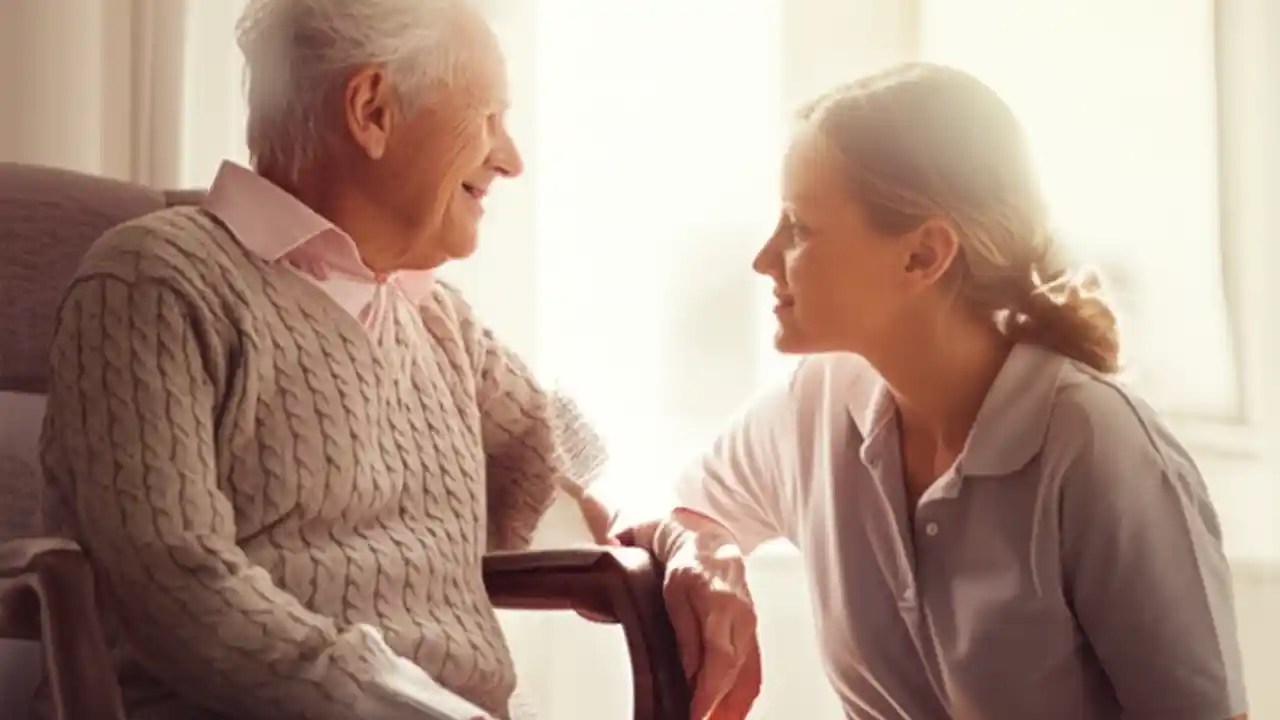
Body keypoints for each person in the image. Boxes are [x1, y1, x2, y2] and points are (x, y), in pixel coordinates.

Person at [34, 1, 640, 718]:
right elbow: (171, 584)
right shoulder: (155, 280)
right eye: (488, 118)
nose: (510, 157)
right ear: (373, 110)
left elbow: (555, 456)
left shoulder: (435, 317)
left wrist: (683, 541)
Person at [631, 62, 1250, 719]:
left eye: (798, 228)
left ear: (922, 256)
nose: (764, 258)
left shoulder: (1098, 448)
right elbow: (677, 511)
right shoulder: (815, 405)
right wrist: (703, 552)